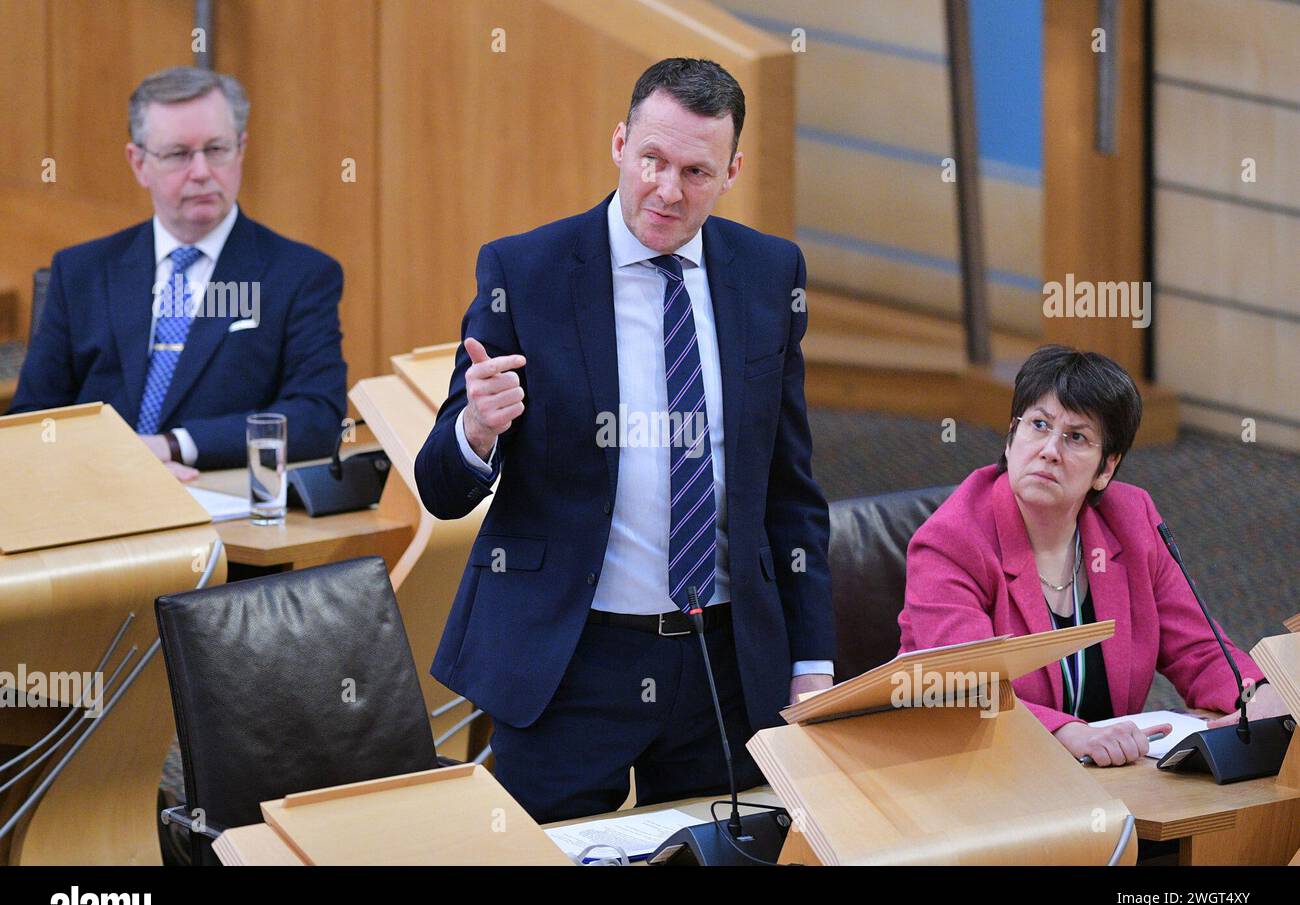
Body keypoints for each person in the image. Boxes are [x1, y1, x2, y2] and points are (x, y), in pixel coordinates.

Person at [414, 58, 835, 822]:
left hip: (723, 662)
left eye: (696, 171)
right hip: (571, 659)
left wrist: (811, 662)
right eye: (652, 160)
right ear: (618, 143)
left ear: (732, 171)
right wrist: (476, 428)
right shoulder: (527, 270)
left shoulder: (771, 274)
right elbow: (442, 489)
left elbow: (789, 487)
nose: (668, 191)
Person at [899, 345, 1288, 766]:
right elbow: (968, 690)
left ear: (1106, 468)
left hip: (1108, 776)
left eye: (1077, 437)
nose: (1050, 449)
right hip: (974, 773)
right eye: (1038, 425)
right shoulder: (951, 542)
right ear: (1011, 439)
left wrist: (1259, 692)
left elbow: (1199, 650)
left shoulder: (1132, 520)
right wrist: (1066, 733)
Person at [10, 66, 347, 476]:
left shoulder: (300, 276)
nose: (202, 171)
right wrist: (117, 463)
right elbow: (33, 419)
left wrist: (174, 446)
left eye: (217, 149)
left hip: (219, 501)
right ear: (138, 163)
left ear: (241, 149)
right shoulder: (81, 272)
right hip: (93, 493)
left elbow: (315, 417)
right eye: (178, 154)